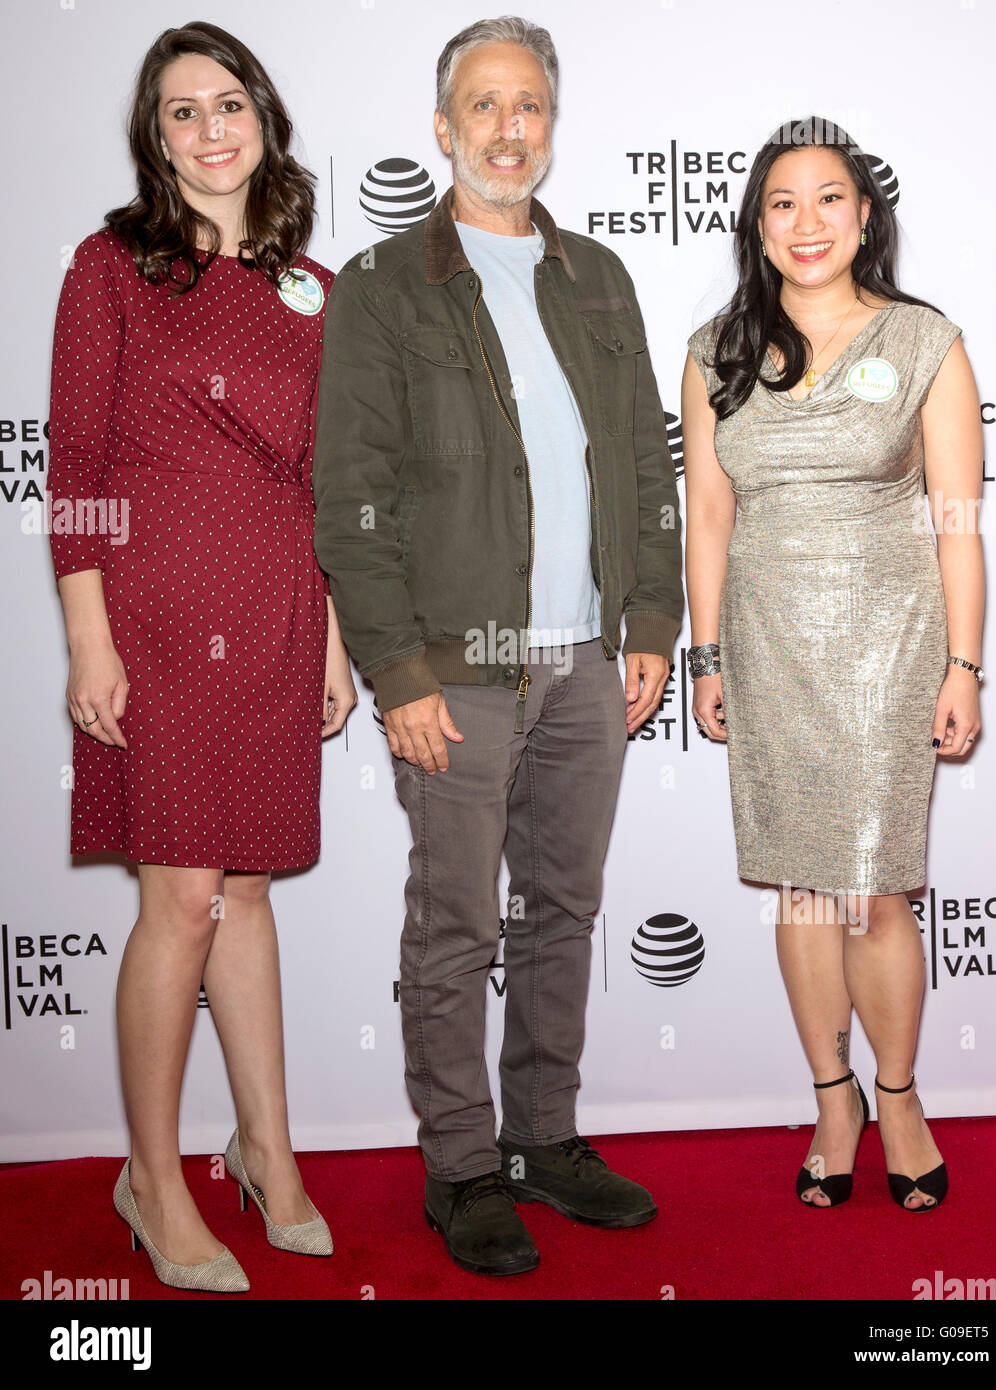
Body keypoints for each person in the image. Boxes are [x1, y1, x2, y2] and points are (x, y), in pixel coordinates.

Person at [313, 16, 683, 1275]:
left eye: (529, 105)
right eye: (484, 105)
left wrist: (649, 621)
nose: (508, 128)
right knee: (456, 922)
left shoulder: (598, 279)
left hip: (587, 660)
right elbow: (348, 496)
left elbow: (642, 457)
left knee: (563, 912)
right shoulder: (378, 287)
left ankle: (542, 1138)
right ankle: (462, 1165)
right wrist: (396, 670)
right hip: (458, 667)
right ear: (441, 127)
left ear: (550, 124)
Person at [47, 21, 354, 1292]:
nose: (210, 129)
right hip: (158, 616)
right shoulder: (112, 266)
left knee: (251, 889)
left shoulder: (317, 289)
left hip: (280, 605)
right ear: (155, 137)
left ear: (263, 120)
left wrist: (335, 635)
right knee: (179, 894)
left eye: (228, 103)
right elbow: (73, 468)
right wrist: (88, 637)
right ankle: (152, 1176)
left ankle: (267, 1148)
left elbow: (328, 481)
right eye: (182, 112)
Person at [683, 116, 984, 1212]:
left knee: (874, 895)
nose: (804, 223)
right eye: (780, 203)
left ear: (863, 217)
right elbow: (706, 519)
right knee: (801, 893)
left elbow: (956, 521)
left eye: (826, 199)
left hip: (887, 649)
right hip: (765, 649)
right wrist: (705, 655)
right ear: (757, 228)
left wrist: (963, 666)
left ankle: (897, 1096)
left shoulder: (924, 341)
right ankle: (831, 1099)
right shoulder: (714, 348)